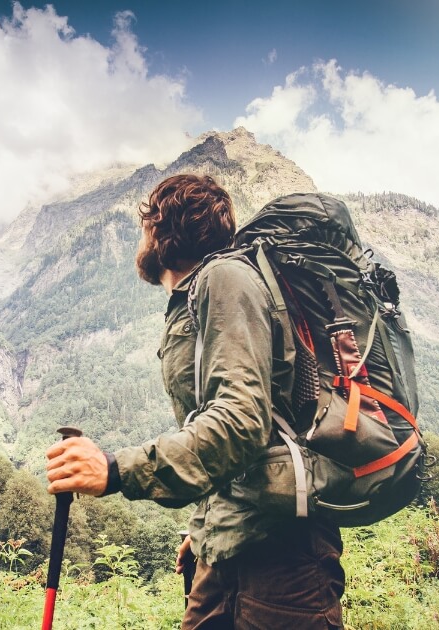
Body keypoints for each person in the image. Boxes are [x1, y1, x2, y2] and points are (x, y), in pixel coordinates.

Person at [45, 173, 345, 628]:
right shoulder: (199, 295)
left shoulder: (225, 278)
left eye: (145, 225)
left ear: (163, 229)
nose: (140, 239)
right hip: (228, 544)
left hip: (283, 560)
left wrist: (113, 470)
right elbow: (240, 425)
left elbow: (241, 421)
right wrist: (207, 522)